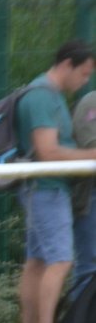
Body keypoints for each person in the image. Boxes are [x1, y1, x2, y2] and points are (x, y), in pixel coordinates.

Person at [13, 40, 96, 323]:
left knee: (37, 261)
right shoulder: (42, 97)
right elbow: (47, 152)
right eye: (83, 74)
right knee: (60, 260)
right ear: (66, 65)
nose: (84, 82)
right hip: (46, 188)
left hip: (44, 188)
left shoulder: (51, 96)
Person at [71, 89, 96, 283]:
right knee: (89, 266)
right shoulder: (91, 104)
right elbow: (91, 147)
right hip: (90, 195)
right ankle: (83, 304)